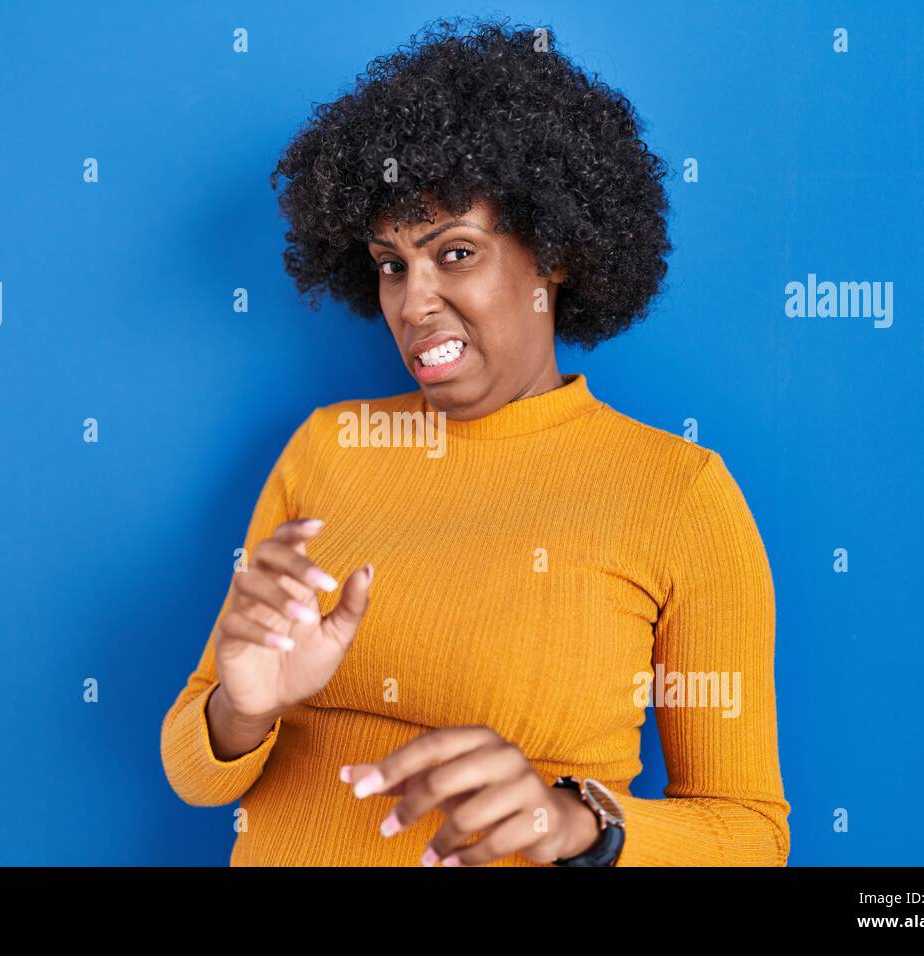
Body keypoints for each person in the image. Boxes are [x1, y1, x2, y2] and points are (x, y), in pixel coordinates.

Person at [160, 15, 790, 867]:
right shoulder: (329, 448)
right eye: (391, 264)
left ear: (554, 254)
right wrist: (244, 710)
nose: (413, 302)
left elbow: (751, 833)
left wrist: (578, 823)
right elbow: (199, 775)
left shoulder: (679, 494)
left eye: (453, 252)